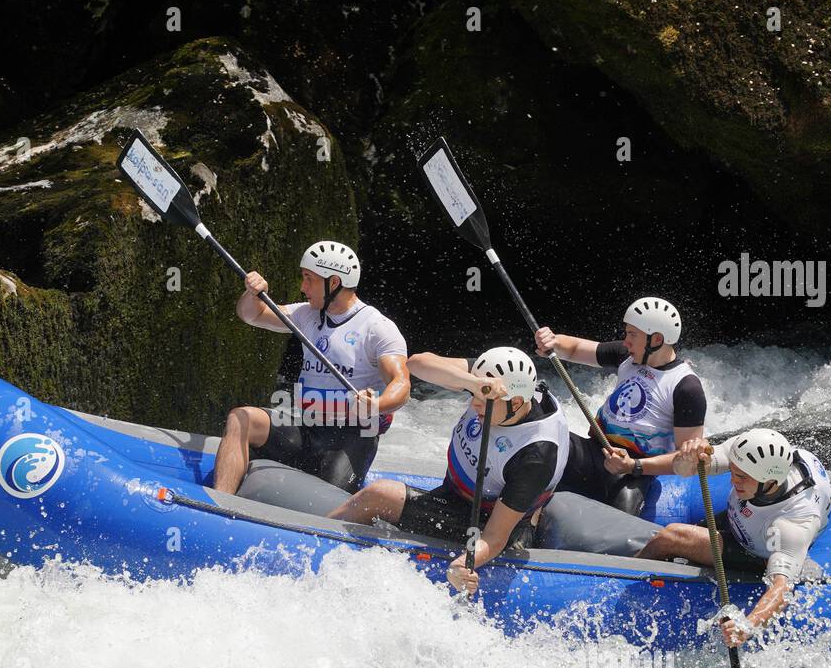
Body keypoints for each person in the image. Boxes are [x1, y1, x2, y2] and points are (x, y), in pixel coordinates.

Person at [328, 347, 569, 596]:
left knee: (379, 494)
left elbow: (495, 536)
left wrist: (461, 565)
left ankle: (314, 543)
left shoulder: (535, 457)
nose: (473, 402)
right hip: (456, 494)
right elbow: (417, 364)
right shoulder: (500, 384)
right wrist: (476, 383)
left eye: (482, 400)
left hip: (486, 523)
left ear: (516, 402)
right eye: (473, 394)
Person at [212, 240, 410, 494]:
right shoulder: (305, 314)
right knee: (241, 418)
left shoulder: (377, 328)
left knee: (325, 502)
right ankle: (220, 503)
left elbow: (402, 385)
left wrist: (378, 404)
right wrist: (252, 293)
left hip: (350, 438)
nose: (303, 287)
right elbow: (252, 315)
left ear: (334, 283)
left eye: (309, 279)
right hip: (305, 425)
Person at [637, 429, 831, 647]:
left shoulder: (792, 524)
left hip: (756, 551)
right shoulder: (748, 450)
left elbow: (782, 588)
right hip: (741, 518)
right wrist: (689, 457)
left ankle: (626, 574)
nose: (732, 481)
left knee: (671, 536)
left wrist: (747, 627)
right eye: (733, 471)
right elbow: (684, 469)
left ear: (769, 481)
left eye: (741, 477)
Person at [534, 297, 706, 516]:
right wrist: (553, 341)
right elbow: (576, 349)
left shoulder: (686, 387)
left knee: (619, 519)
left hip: (633, 474)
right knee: (544, 441)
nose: (626, 341)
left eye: (632, 335)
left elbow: (687, 460)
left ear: (656, 339)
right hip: (592, 452)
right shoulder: (628, 357)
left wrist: (633, 466)